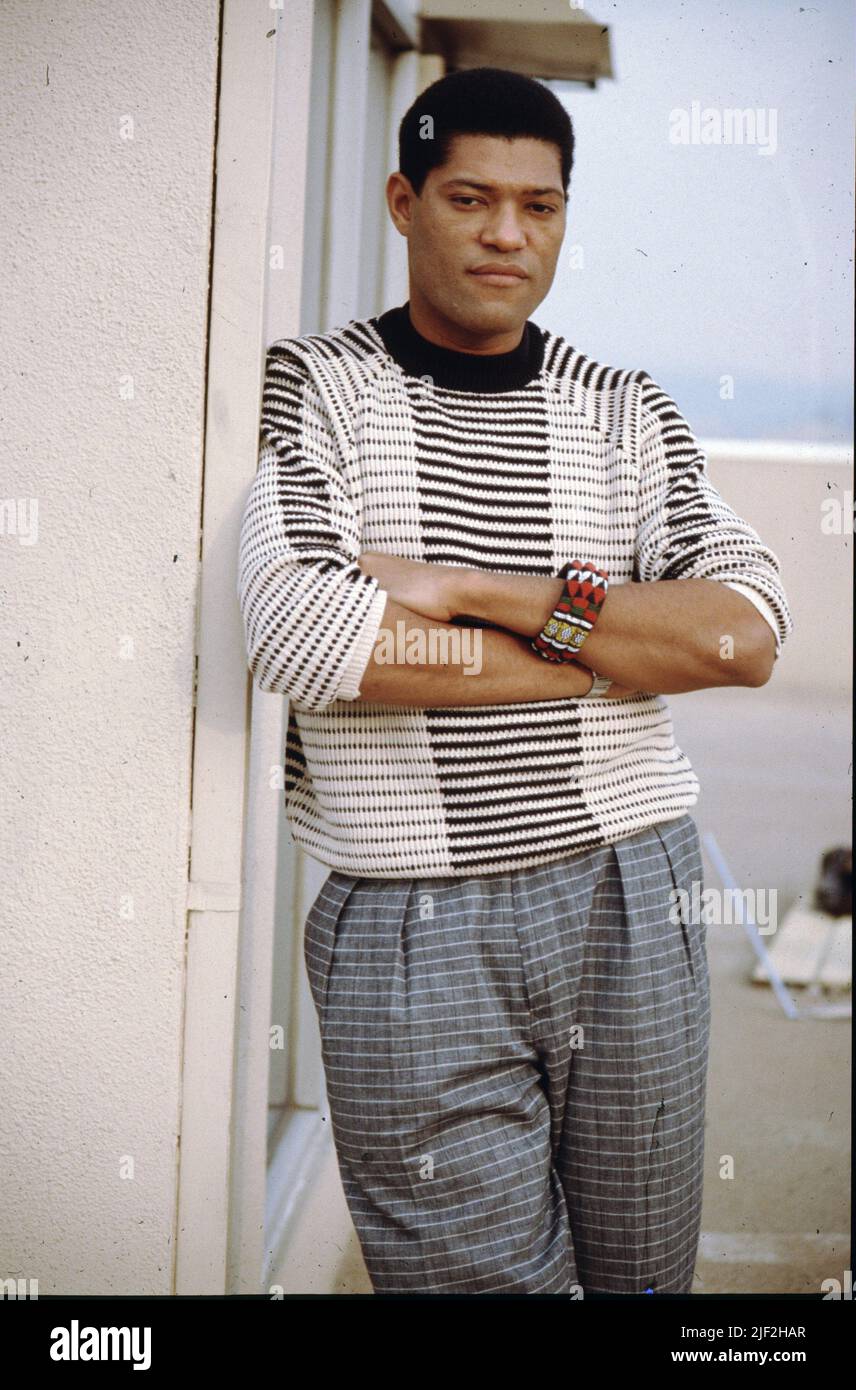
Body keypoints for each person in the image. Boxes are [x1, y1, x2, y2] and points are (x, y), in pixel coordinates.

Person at [237, 66, 793, 1295]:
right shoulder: (321, 389)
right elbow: (309, 638)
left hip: (633, 896)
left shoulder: (622, 410)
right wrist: (604, 658)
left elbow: (740, 635)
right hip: (411, 915)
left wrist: (476, 587)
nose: (505, 235)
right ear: (402, 199)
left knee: (642, 1280)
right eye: (470, 198)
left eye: (538, 207)